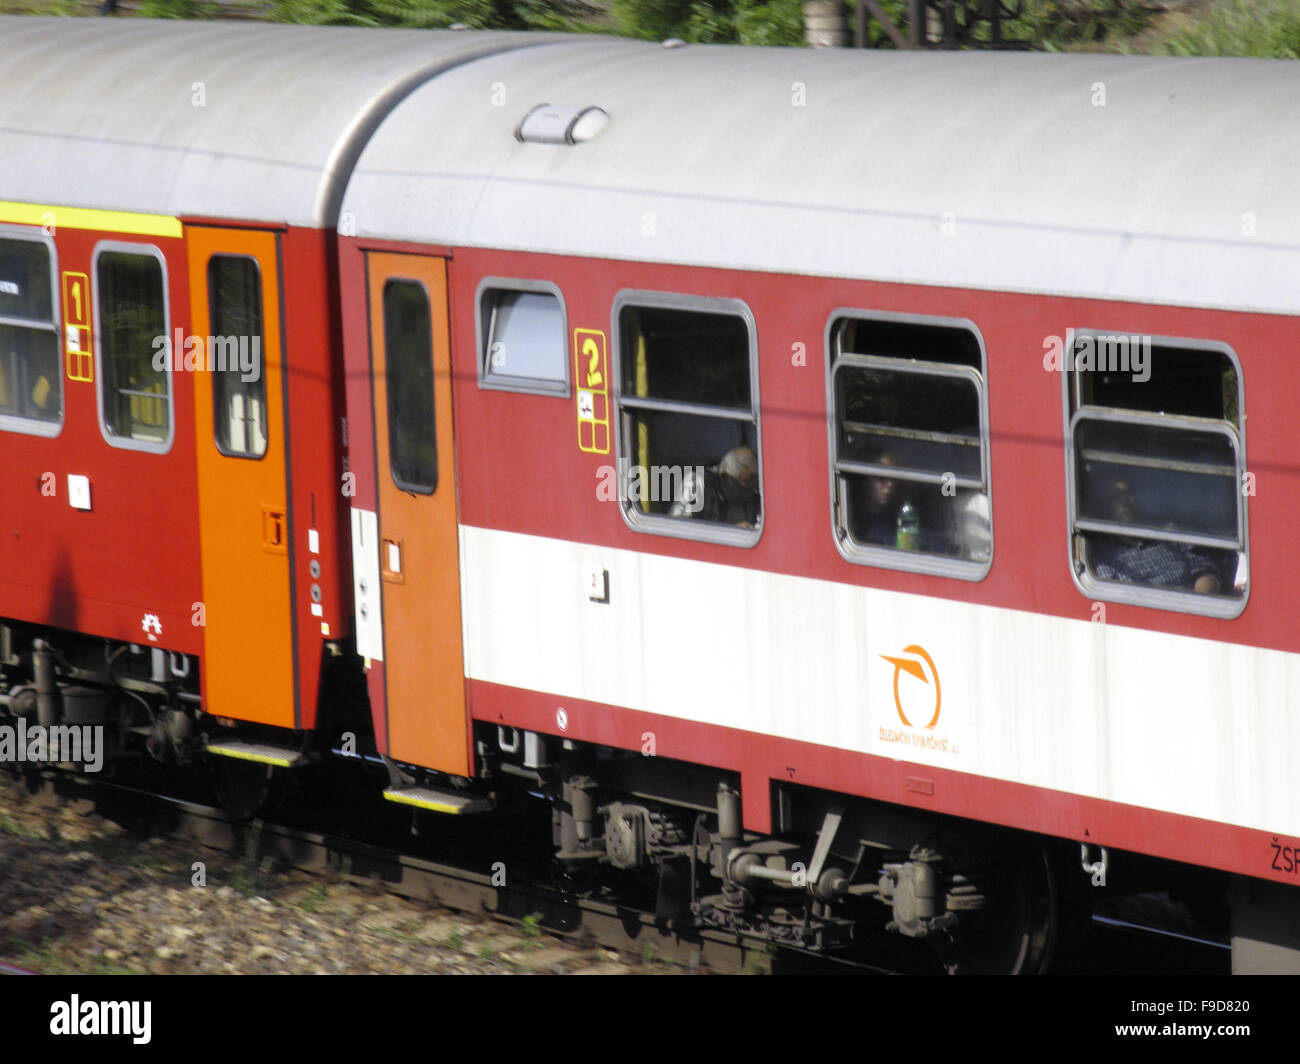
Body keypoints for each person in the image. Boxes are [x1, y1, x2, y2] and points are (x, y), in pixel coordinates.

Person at [1086, 477, 1226, 594]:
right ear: (1103, 507)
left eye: (1128, 494)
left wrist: (1195, 610)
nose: (1126, 502)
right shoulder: (1103, 558)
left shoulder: (1168, 531)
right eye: (1115, 498)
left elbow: (1206, 573)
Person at [670, 445, 760, 528]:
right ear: (724, 476)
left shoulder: (753, 495)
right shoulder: (697, 482)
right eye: (740, 488)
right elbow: (679, 528)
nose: (746, 495)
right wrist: (730, 532)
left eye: (750, 489)